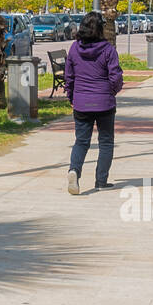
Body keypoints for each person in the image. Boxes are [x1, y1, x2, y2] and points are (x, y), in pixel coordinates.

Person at [64, 11, 124, 194]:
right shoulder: (108, 50)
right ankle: (101, 181)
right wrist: (111, 92)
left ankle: (74, 170)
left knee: (81, 141)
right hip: (104, 102)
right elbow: (116, 76)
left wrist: (72, 97)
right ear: (100, 29)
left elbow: (69, 76)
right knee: (106, 142)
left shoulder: (74, 48)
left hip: (81, 102)